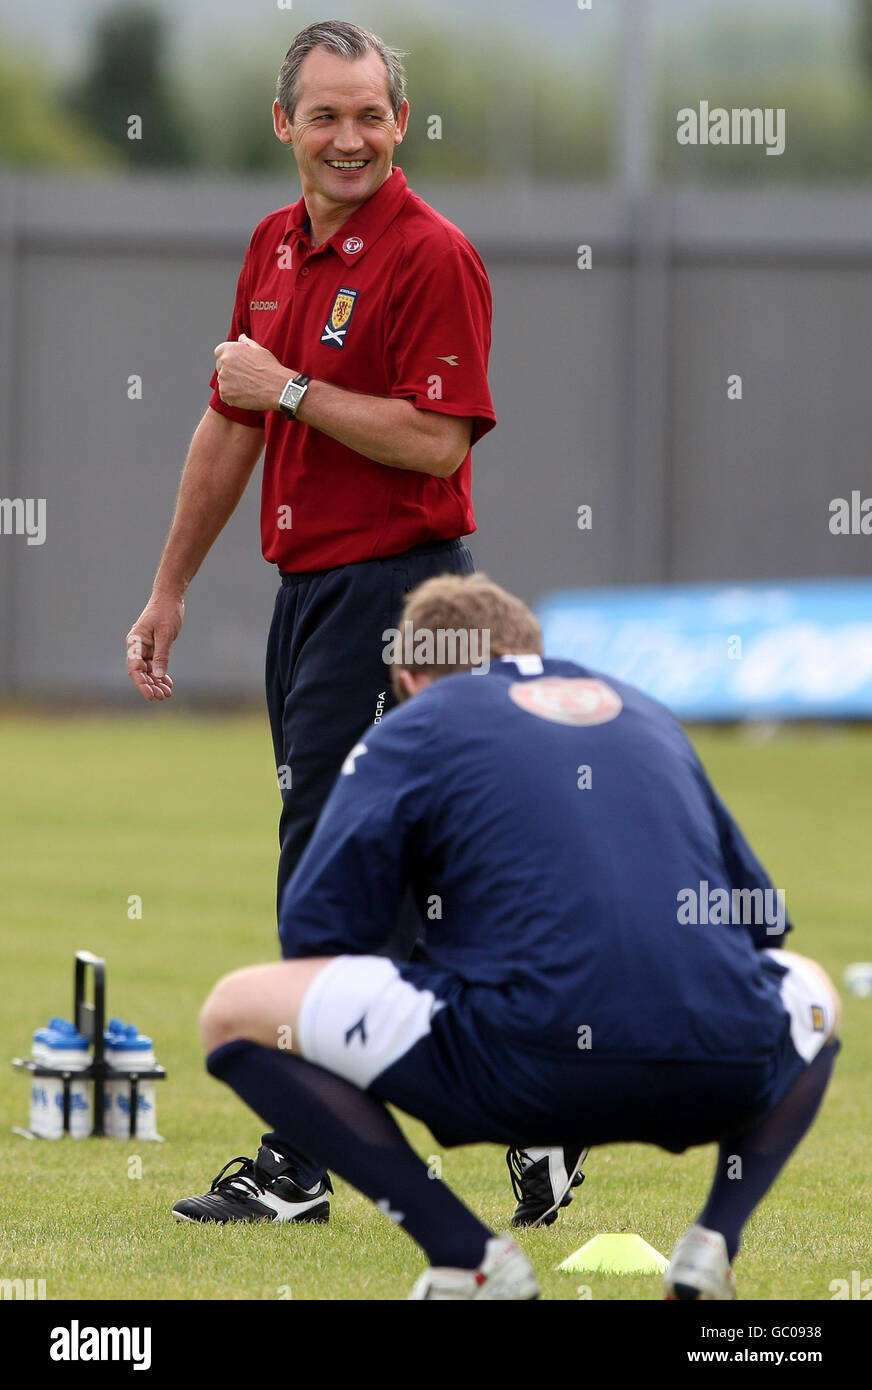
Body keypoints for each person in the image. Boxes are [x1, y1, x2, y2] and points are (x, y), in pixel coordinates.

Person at [125, 19, 570, 1227]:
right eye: (325, 114)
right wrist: (169, 587)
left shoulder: (434, 256)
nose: (349, 136)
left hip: (404, 594)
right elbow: (231, 426)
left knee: (326, 863)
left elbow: (434, 439)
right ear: (285, 126)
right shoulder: (273, 245)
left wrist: (294, 392)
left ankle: (299, 1159)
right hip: (309, 594)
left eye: (369, 113)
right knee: (407, 878)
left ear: (399, 122)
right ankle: (531, 1104)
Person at [198, 573, 840, 1299]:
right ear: (532, 649)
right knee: (816, 989)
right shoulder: (646, 712)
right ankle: (714, 1242)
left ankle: (466, 1254)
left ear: (410, 676)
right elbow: (762, 923)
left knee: (235, 1011)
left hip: (522, 1062)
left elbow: (320, 937)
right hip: (718, 1063)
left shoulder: (418, 721)